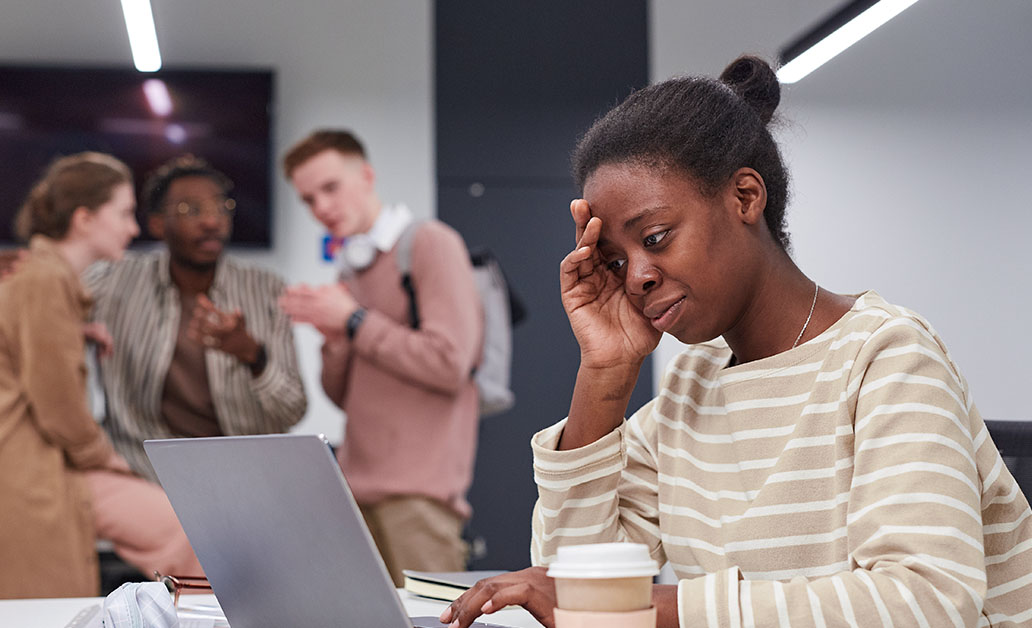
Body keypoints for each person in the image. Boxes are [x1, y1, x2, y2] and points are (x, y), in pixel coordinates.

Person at [441, 56, 1032, 628]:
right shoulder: (691, 386)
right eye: (617, 261)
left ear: (746, 197)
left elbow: (925, 604)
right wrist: (605, 371)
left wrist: (648, 611)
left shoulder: (888, 358)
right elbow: (571, 580)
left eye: (656, 236)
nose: (638, 275)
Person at [0, 152, 204, 599]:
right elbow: (59, 409)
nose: (134, 228)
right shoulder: (44, 283)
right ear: (84, 219)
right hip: (23, 479)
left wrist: (73, 334)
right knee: (195, 538)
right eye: (123, 213)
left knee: (185, 537)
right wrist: (111, 460)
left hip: (20, 472)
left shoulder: (43, 283)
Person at [0, 155, 307, 483]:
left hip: (246, 476)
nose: (212, 220)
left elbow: (293, 410)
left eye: (221, 207)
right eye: (190, 209)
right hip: (143, 472)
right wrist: (2, 283)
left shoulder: (266, 290)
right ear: (155, 224)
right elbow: (35, 312)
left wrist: (253, 355)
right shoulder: (113, 281)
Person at [278, 130, 483, 585]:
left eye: (330, 188)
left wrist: (354, 321)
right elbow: (343, 397)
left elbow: (450, 363)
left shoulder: (429, 243)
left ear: (366, 176)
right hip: (354, 492)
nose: (321, 208)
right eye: (308, 199)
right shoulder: (350, 269)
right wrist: (334, 339)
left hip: (420, 498)